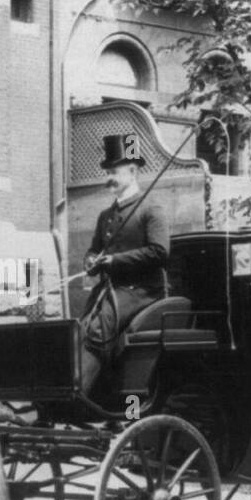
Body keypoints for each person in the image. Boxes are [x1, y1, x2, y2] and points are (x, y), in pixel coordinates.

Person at [79, 132, 170, 397]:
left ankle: (83, 393)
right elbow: (94, 249)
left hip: (143, 291)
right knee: (80, 327)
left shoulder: (151, 209)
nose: (109, 177)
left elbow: (160, 251)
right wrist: (91, 262)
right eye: (107, 171)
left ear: (132, 171)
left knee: (98, 328)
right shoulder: (105, 215)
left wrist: (115, 260)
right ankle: (93, 393)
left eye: (114, 171)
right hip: (112, 291)